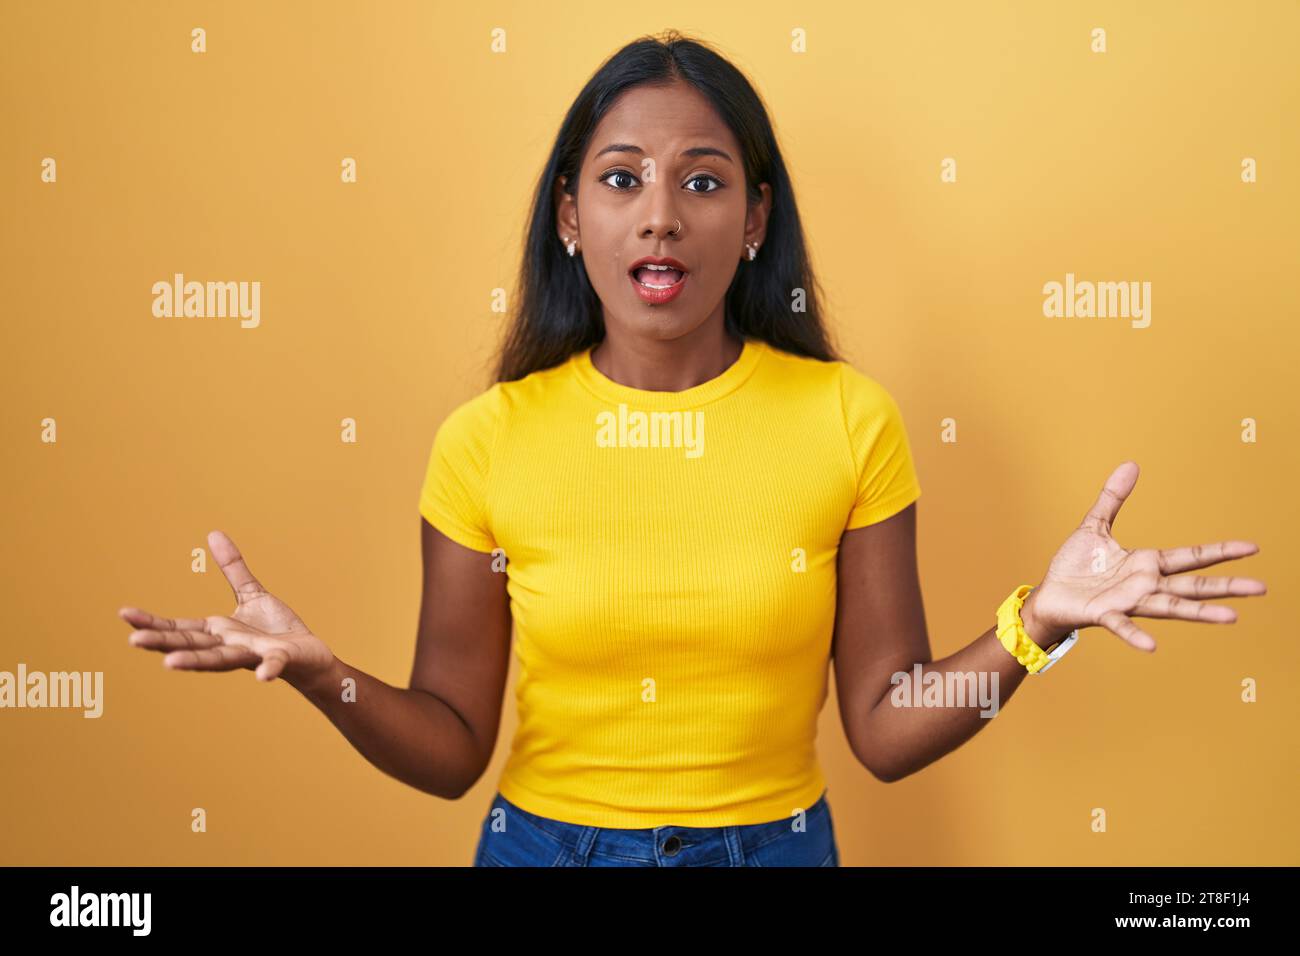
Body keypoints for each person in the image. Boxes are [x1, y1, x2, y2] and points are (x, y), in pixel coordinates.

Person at [120, 31, 1267, 867]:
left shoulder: (846, 419)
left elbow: (886, 722)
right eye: (621, 180)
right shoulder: (485, 442)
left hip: (774, 850)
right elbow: (452, 742)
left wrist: (1041, 620)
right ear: (571, 217)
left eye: (702, 181)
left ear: (755, 218)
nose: (659, 214)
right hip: (539, 852)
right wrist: (326, 678)